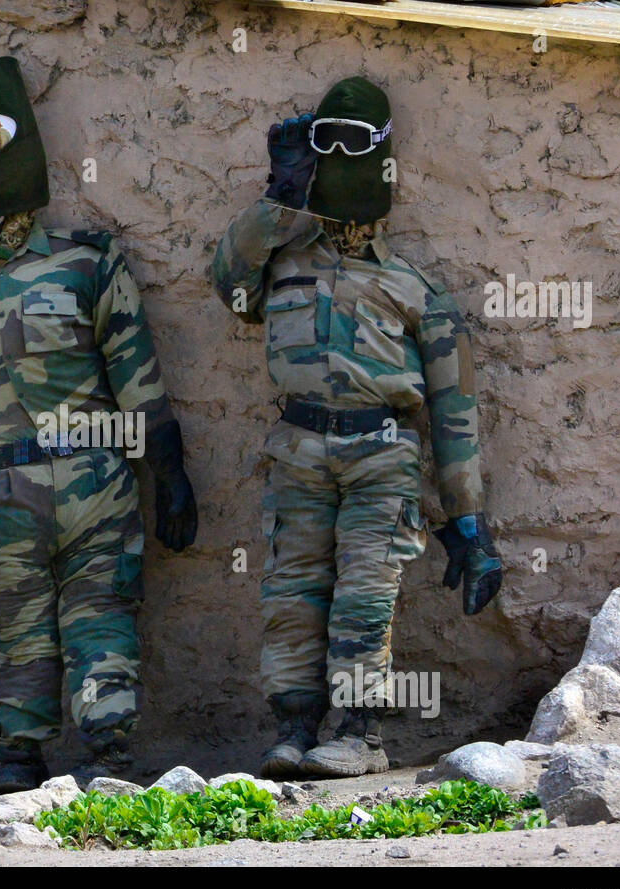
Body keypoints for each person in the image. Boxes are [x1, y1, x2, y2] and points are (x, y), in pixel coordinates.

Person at [0, 56, 198, 794]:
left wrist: (171, 473)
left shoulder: (88, 262)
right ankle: (19, 766)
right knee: (23, 633)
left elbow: (138, 377)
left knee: (99, 621)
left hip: (90, 475)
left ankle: (105, 767)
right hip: (2, 491)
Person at [211, 76, 501, 778]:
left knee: (365, 596)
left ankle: (359, 733)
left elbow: (453, 410)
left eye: (352, 143)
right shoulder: (280, 260)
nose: (337, 157)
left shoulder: (413, 289)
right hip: (298, 451)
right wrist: (278, 200)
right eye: (326, 142)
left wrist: (468, 521)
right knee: (291, 593)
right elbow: (228, 284)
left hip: (381, 455)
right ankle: (293, 728)